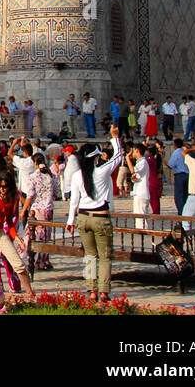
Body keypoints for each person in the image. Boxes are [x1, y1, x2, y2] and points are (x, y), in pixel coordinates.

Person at [65, 125, 124, 302]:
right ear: (96, 157)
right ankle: (104, 291)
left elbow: (73, 201)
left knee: (90, 256)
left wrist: (69, 221)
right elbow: (118, 157)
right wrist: (114, 137)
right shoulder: (102, 171)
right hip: (100, 217)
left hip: (83, 218)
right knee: (105, 257)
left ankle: (91, 290)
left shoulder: (77, 175)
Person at [20, 152, 55, 273]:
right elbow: (56, 192)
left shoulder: (34, 176)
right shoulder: (50, 175)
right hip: (49, 208)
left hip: (37, 208)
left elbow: (30, 195)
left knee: (34, 235)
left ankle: (33, 259)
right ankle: (43, 260)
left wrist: (23, 210)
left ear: (35, 163)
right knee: (46, 235)